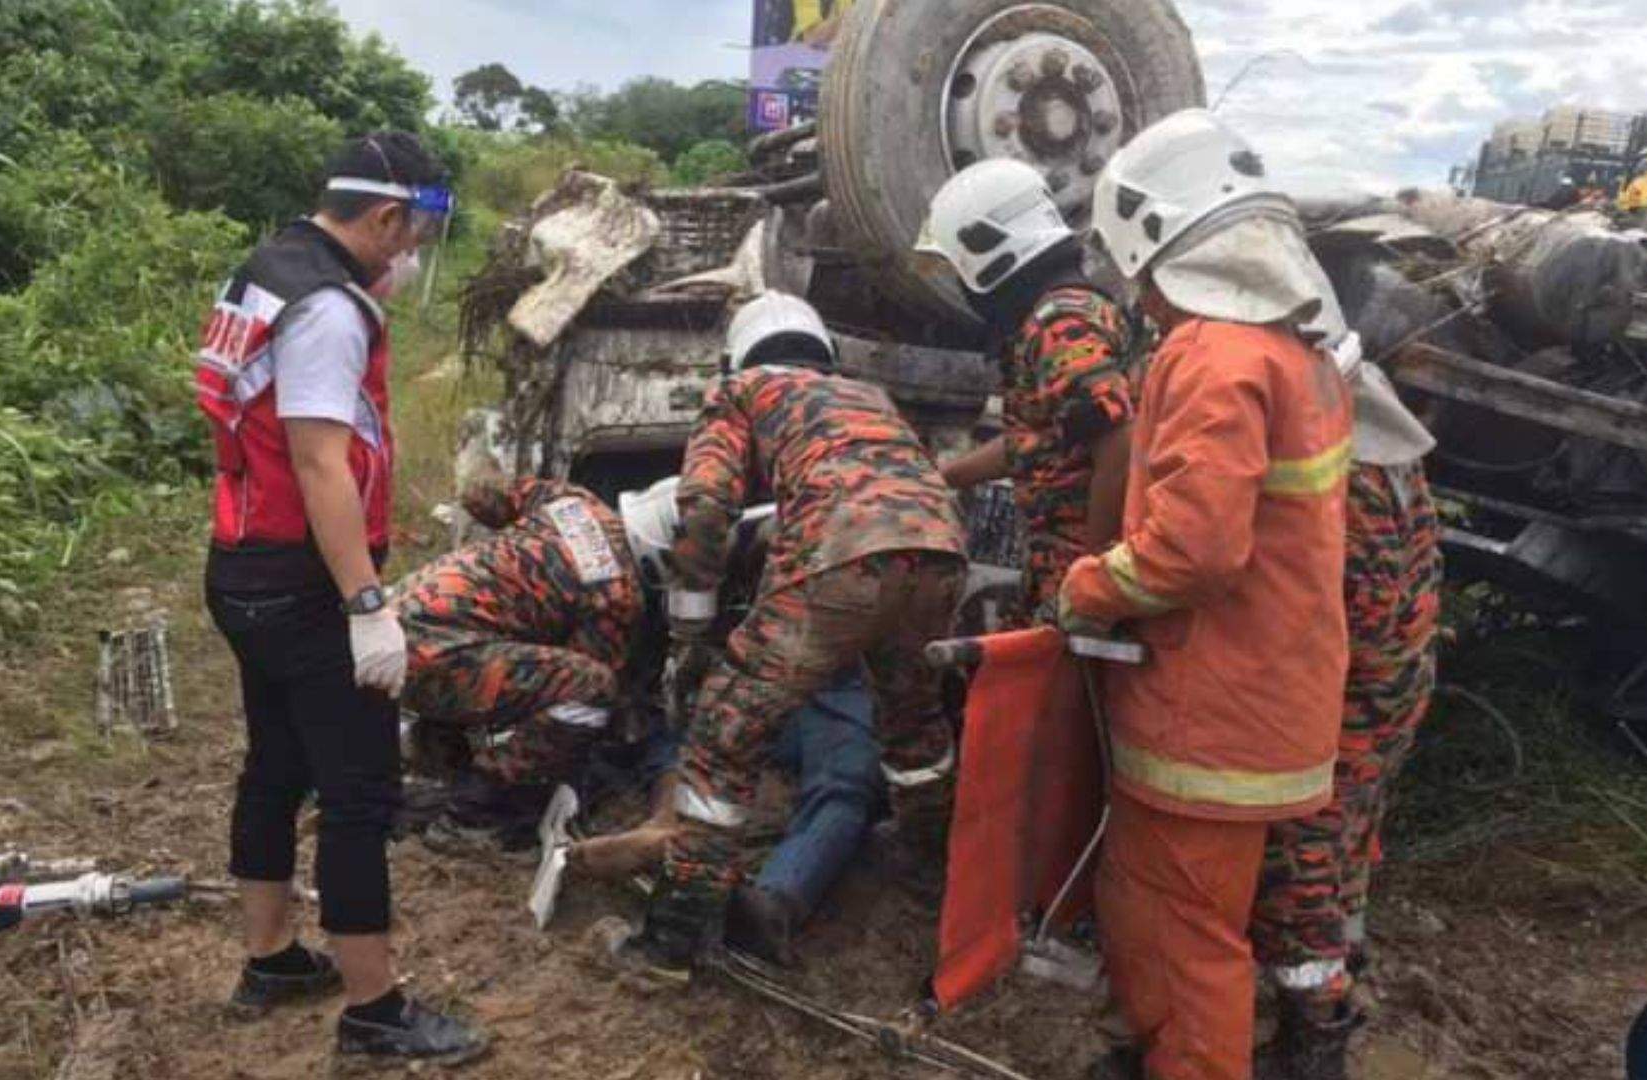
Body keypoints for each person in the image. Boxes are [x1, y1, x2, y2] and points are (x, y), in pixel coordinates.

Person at [1058, 109, 1354, 1080]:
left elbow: (1194, 553)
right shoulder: (1297, 354)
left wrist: (1088, 586)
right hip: (1272, 700)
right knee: (1171, 911)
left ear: (1155, 242)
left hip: (1208, 721)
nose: (1134, 296)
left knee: (1184, 940)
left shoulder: (1210, 356)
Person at [193, 132, 487, 1066]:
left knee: (276, 762)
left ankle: (273, 959)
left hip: (240, 561)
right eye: (412, 234)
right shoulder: (326, 307)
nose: (412, 255)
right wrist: (366, 603)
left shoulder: (271, 268)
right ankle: (374, 1011)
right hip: (304, 580)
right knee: (360, 792)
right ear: (386, 215)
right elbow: (322, 461)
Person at [605, 291, 968, 984]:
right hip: (939, 552)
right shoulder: (869, 396)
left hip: (839, 558)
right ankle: (928, 872)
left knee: (723, 732)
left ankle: (671, 943)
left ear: (735, 355)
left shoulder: (739, 389)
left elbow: (707, 508)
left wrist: (693, 617)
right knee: (915, 728)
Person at [1248, 324, 1443, 1079]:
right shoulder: (1392, 462)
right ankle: (1345, 953)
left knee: (1302, 869)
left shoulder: (1353, 480)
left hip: (1351, 702)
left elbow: (1345, 615)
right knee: (1349, 846)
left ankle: (1315, 1036)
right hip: (1397, 684)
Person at [918, 159, 1138, 616]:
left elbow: (1118, 441)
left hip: (1076, 562)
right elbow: (1042, 437)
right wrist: (946, 479)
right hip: (1055, 562)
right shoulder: (1058, 313)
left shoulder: (1060, 325)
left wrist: (1091, 581)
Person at [394, 474, 643, 836]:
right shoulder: (619, 593)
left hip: (398, 619)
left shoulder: (573, 500)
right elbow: (573, 691)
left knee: (506, 660)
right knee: (592, 689)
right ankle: (475, 814)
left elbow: (478, 493)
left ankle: (431, 760)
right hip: (435, 655)